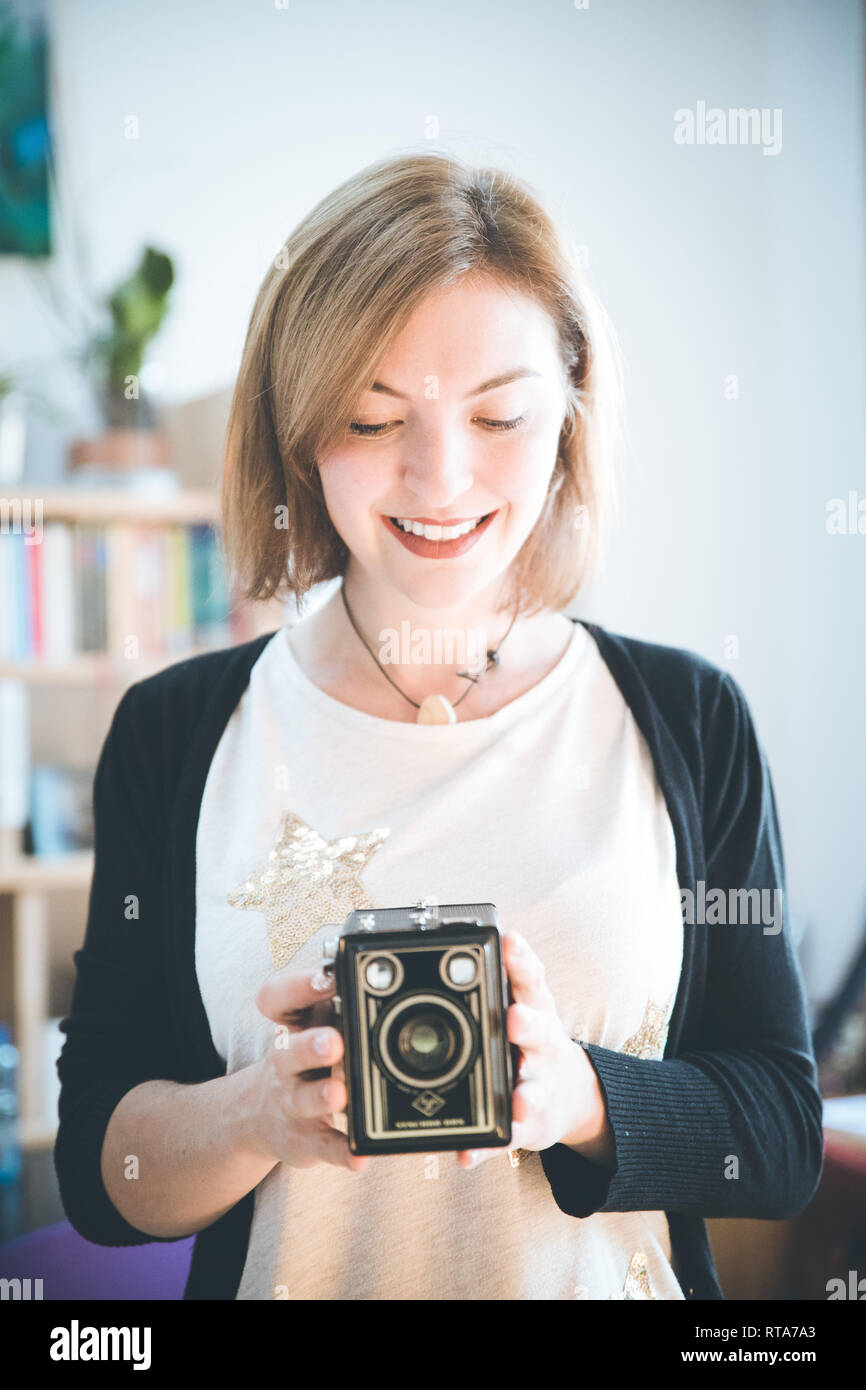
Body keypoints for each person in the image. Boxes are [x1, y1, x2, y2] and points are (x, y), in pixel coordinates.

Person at [55, 152, 823, 1301]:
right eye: (371, 418)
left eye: (498, 414)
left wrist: (573, 1094)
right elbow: (97, 1176)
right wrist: (258, 1111)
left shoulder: (686, 718)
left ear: (567, 408)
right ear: (299, 433)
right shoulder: (176, 733)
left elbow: (775, 1136)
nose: (439, 477)